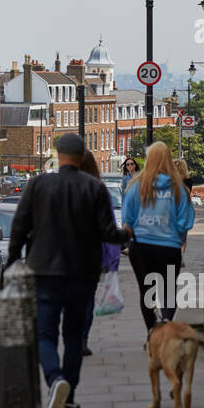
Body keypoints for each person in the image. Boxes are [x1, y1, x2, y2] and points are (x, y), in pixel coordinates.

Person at [8, 132, 122, 408]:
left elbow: (20, 226)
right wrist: (127, 235)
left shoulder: (38, 184)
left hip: (44, 271)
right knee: (73, 336)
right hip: (82, 274)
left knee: (45, 333)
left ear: (57, 154)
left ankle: (54, 378)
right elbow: (109, 233)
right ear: (83, 156)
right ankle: (69, 398)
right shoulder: (94, 188)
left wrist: (12, 260)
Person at [121, 141, 195, 331]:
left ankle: (152, 332)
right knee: (169, 292)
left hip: (142, 247)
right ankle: (167, 325)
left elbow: (127, 220)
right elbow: (185, 222)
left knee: (147, 293)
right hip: (169, 247)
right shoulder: (179, 188)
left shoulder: (136, 186)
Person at [79, 150, 117, 358]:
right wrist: (112, 258)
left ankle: (73, 335)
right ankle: (82, 338)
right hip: (91, 255)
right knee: (87, 298)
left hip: (65, 255)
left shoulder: (60, 187)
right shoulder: (99, 190)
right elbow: (108, 227)